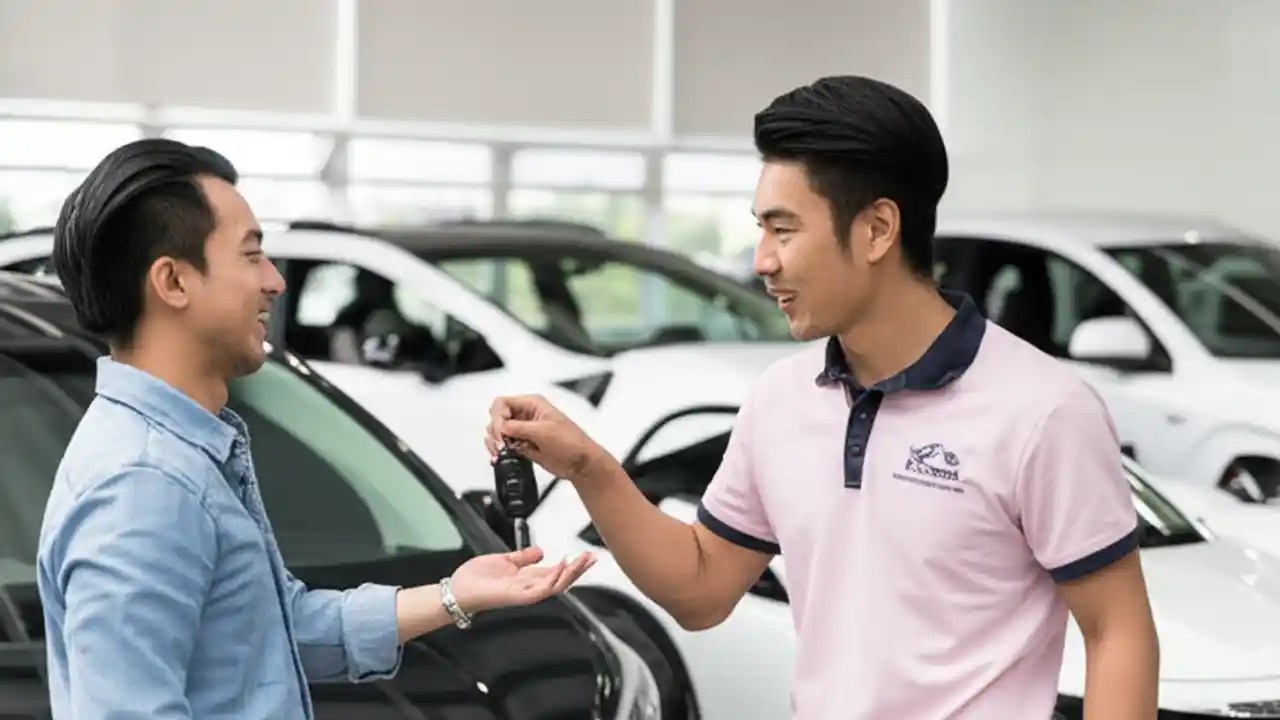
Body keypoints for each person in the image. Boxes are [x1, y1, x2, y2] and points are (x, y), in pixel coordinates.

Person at [486, 75, 1160, 719]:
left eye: (784, 230)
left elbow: (1118, 632)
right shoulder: (782, 399)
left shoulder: (1043, 410)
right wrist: (587, 466)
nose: (761, 261)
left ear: (876, 230)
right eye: (761, 230)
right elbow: (701, 587)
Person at [36, 138, 595, 719]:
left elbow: (275, 629)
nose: (274, 281)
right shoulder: (141, 487)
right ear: (173, 282)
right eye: (251, 256)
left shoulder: (182, 453)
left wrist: (456, 594)